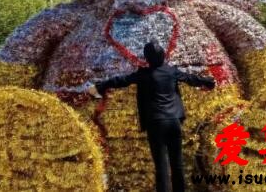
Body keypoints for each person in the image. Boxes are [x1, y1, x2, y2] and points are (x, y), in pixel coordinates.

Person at [86, 40, 216, 192]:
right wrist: (209, 82)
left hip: (156, 123)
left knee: (161, 166)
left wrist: (99, 86)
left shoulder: (143, 75)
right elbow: (190, 78)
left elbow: (121, 81)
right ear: (163, 56)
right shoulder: (171, 71)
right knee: (177, 164)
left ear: (147, 59)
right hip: (173, 121)